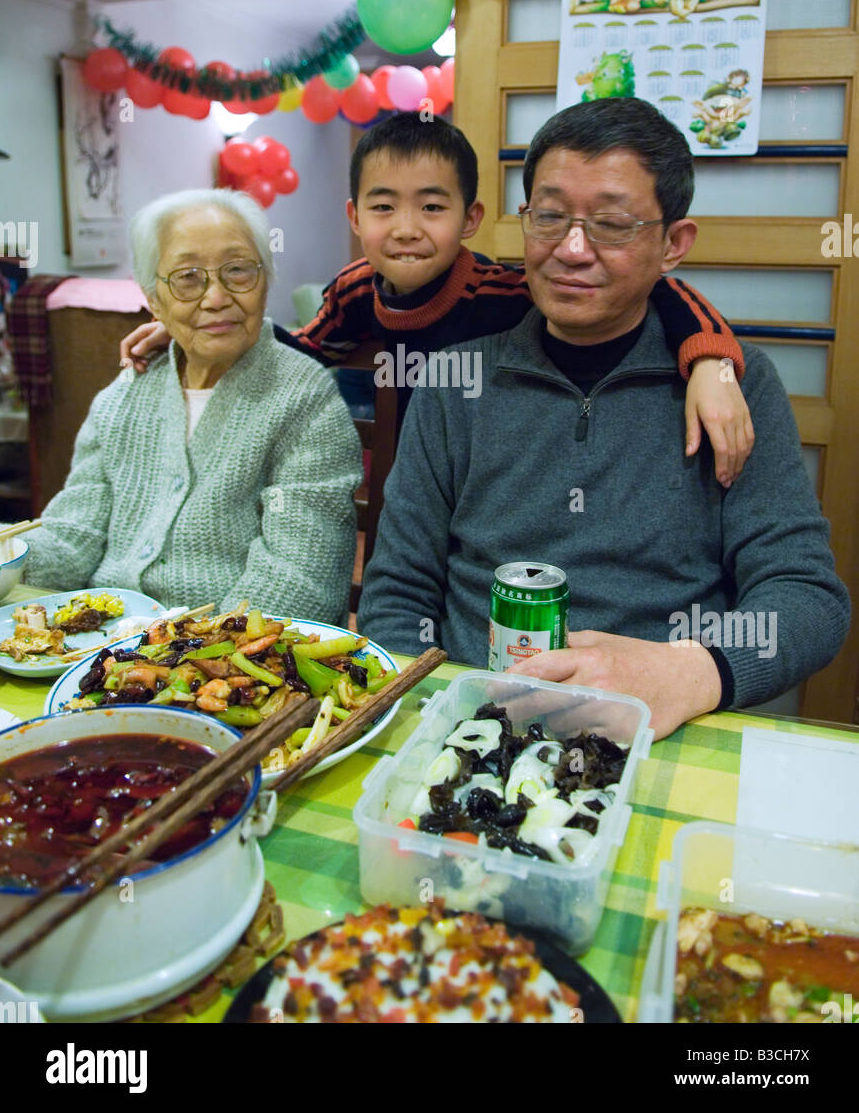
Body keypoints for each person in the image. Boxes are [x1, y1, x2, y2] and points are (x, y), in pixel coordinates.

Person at [357, 99, 850, 738]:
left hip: (663, 727)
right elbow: (396, 592)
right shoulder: (456, 384)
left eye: (613, 224)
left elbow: (807, 598)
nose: (571, 249)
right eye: (549, 217)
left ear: (674, 244)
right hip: (471, 726)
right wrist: (439, 722)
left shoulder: (733, 386)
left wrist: (690, 673)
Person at [121, 114, 754, 487]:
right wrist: (201, 330)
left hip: (497, 465)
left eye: (432, 207)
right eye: (382, 207)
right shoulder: (353, 289)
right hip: (406, 472)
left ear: (470, 218)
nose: (405, 228)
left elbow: (658, 291)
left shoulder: (510, 291)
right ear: (354, 216)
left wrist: (710, 362)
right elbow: (305, 351)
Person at [24, 189, 362, 622]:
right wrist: (9, 554)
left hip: (232, 665)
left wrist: (181, 656)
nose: (216, 297)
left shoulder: (304, 399)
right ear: (153, 299)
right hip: (103, 650)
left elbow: (299, 579)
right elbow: (74, 535)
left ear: (266, 278)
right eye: (187, 277)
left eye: (238, 271)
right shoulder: (122, 399)